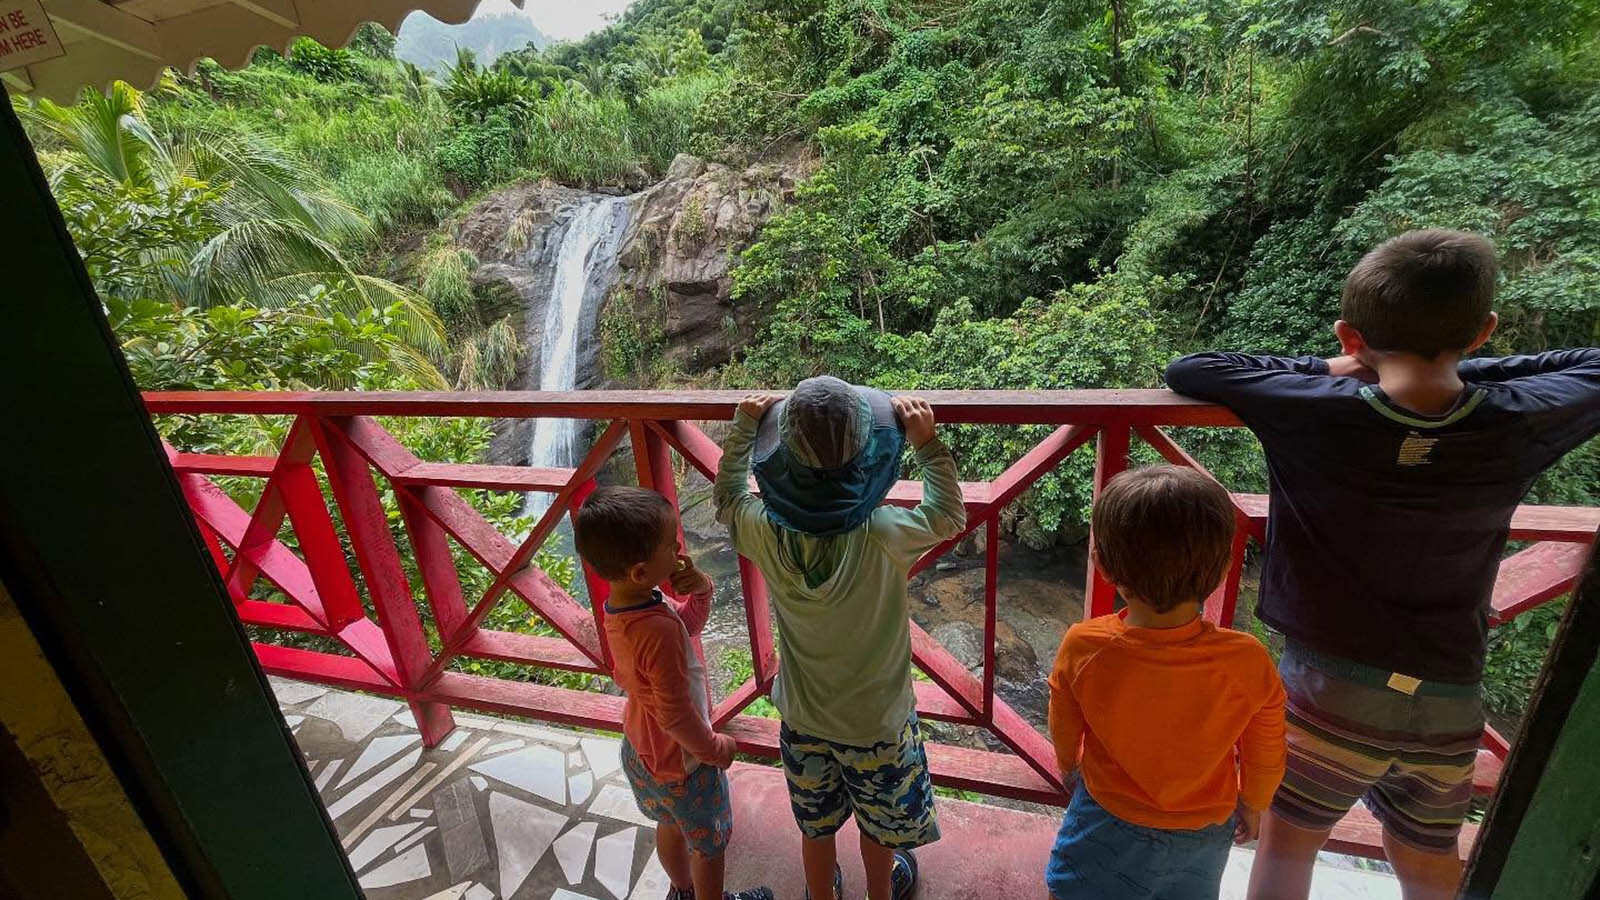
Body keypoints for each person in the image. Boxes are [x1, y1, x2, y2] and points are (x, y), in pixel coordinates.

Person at [1164, 229, 1600, 900]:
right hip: (1447, 696)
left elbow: (1194, 370)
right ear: (1484, 330)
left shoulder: (1312, 408)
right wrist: (1460, 369)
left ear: (1349, 334)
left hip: (1325, 690)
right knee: (1427, 863)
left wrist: (1347, 367)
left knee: (1286, 852)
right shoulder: (1518, 419)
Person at [714, 378, 965, 900]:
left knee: (816, 825)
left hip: (803, 717)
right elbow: (948, 515)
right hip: (877, 721)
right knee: (879, 830)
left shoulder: (763, 529)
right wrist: (927, 443)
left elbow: (729, 499)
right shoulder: (883, 534)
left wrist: (741, 431)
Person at [1046, 465, 1286, 900]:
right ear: (1222, 568)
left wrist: (1068, 764)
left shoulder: (1085, 646)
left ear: (1101, 564)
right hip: (1204, 826)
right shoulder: (1247, 658)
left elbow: (1064, 720)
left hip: (1107, 811)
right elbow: (1266, 745)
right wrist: (1254, 802)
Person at [574, 486, 773, 900]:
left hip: (640, 749)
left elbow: (687, 626)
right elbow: (676, 716)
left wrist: (700, 590)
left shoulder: (628, 605)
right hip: (683, 762)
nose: (680, 547)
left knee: (668, 824)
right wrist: (714, 749)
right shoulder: (656, 629)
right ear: (641, 571)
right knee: (709, 844)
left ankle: (681, 891)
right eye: (671, 543)